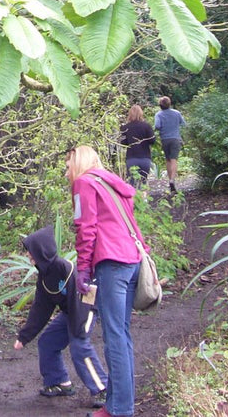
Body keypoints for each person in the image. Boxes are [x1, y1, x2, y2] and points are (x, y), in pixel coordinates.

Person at [68, 144, 147, 417]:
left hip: (112, 264)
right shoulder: (114, 184)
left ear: (78, 163)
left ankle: (121, 410)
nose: (67, 172)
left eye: (68, 165)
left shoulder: (84, 184)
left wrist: (83, 269)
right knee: (121, 337)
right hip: (132, 261)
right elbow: (130, 223)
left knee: (114, 339)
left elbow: (85, 228)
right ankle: (115, 405)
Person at [12, 227, 108, 407]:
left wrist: (77, 327)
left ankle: (103, 389)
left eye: (31, 252)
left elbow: (82, 298)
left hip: (86, 309)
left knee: (79, 346)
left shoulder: (66, 269)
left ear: (42, 252)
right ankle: (59, 382)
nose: (28, 255)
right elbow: (40, 309)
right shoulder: (44, 278)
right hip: (70, 313)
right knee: (47, 342)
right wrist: (24, 337)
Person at [153, 95, 185, 193]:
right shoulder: (177, 113)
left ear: (160, 105)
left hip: (165, 139)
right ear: (169, 104)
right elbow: (184, 124)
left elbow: (157, 126)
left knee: (168, 159)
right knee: (174, 159)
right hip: (175, 138)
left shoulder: (158, 114)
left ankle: (169, 180)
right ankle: (172, 180)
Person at [120, 105, 155, 188]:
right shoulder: (147, 126)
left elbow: (122, 142)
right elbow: (152, 140)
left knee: (132, 184)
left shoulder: (125, 128)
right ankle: (144, 200)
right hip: (145, 158)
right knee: (143, 183)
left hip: (131, 158)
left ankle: (133, 200)